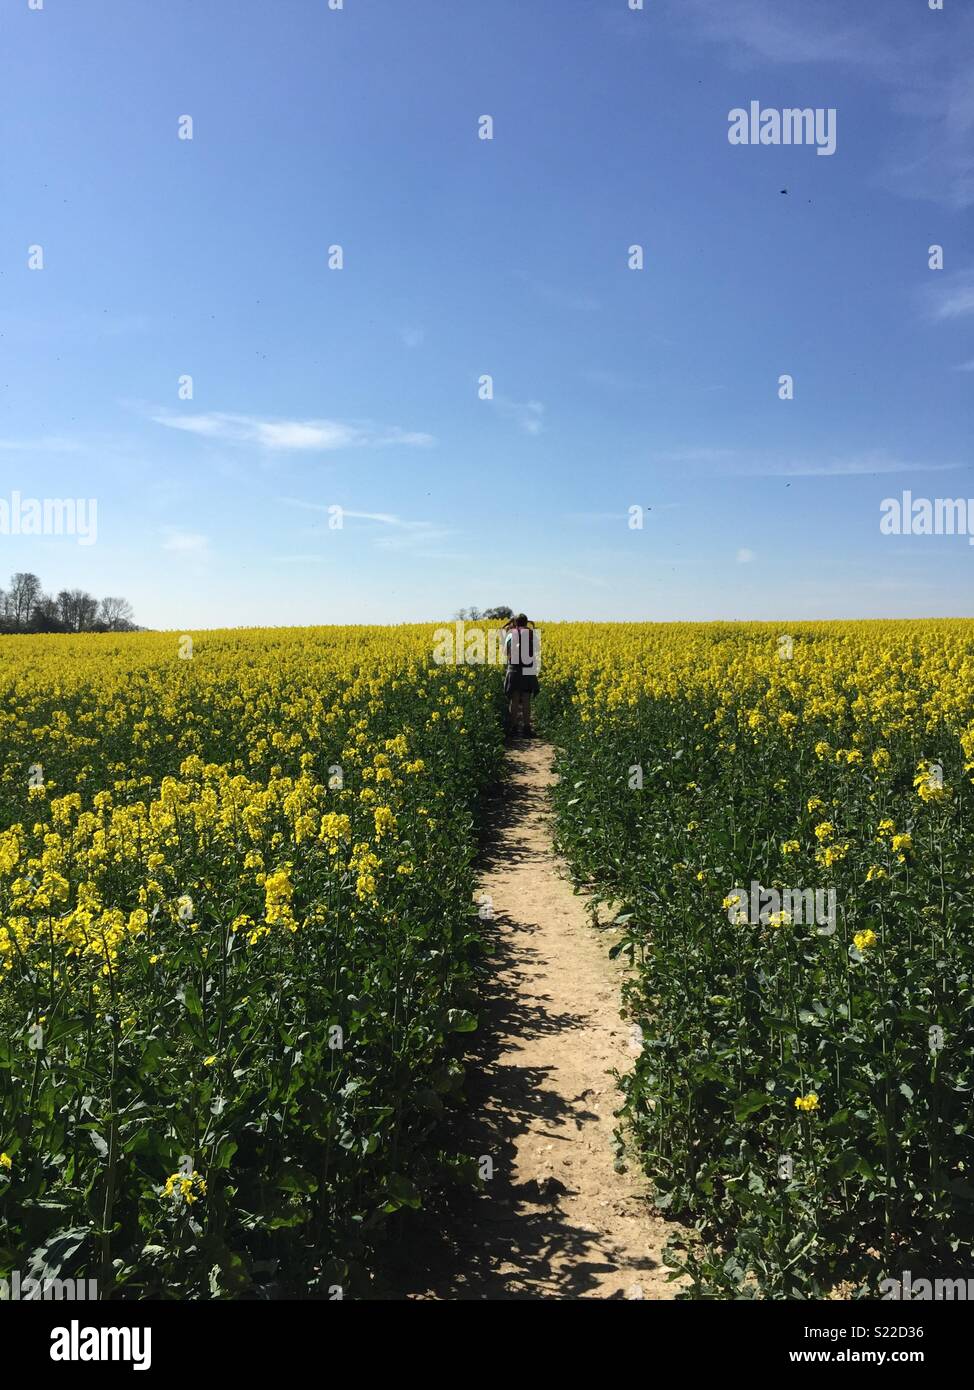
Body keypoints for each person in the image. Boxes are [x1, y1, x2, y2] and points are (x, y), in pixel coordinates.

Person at [503, 613, 540, 737]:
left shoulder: (510, 634)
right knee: (526, 700)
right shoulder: (530, 633)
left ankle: (513, 728)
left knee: (514, 700)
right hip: (528, 669)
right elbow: (537, 649)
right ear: (526, 622)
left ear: (515, 622)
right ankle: (526, 728)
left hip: (513, 669)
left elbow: (505, 652)